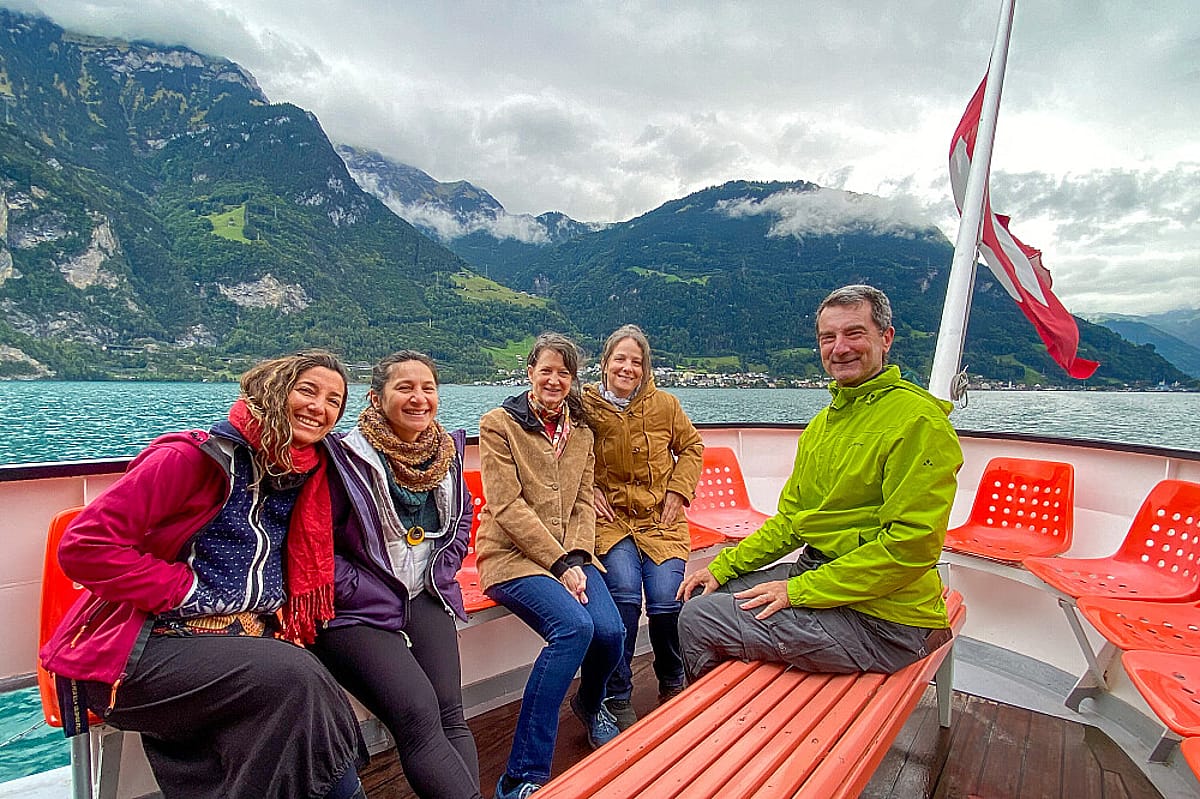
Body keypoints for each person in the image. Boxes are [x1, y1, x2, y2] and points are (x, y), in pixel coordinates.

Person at [40, 351, 369, 799]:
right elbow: (84, 547)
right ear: (272, 390)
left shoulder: (306, 475)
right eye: (307, 390)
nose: (320, 407)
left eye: (334, 400)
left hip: (239, 642)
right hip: (149, 648)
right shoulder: (192, 458)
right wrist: (183, 588)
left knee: (304, 690)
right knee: (298, 678)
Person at [677, 285, 962, 681]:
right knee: (703, 593)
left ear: (886, 338)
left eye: (854, 333)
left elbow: (909, 549)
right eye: (828, 337)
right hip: (827, 584)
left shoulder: (919, 422)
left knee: (700, 619)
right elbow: (793, 520)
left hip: (885, 622)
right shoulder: (824, 425)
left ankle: (711, 720)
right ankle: (740, 703)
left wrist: (797, 592)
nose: (840, 347)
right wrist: (723, 567)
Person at [318, 351, 481, 799]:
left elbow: (462, 520)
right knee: (418, 717)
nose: (419, 398)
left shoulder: (446, 454)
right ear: (375, 397)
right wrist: (361, 590)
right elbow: (318, 548)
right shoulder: (344, 460)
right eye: (404, 388)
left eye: (427, 388)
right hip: (357, 609)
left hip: (425, 593)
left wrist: (442, 571)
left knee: (451, 712)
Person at [476, 333, 625, 799]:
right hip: (511, 557)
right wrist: (560, 563)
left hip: (570, 558)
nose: (555, 380)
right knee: (574, 629)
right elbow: (507, 505)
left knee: (612, 633)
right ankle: (522, 775)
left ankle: (589, 702)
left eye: (564, 372)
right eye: (546, 370)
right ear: (530, 373)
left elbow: (583, 500)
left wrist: (578, 557)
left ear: (573, 379)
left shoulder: (580, 431)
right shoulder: (499, 424)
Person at [583, 324, 703, 730]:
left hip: (661, 522)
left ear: (646, 368)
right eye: (620, 359)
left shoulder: (665, 405)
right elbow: (561, 452)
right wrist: (588, 490)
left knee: (667, 600)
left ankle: (672, 676)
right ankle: (618, 693)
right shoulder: (583, 406)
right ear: (604, 363)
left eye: (636, 361)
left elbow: (691, 448)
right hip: (610, 523)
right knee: (624, 599)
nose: (627, 367)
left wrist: (678, 491)